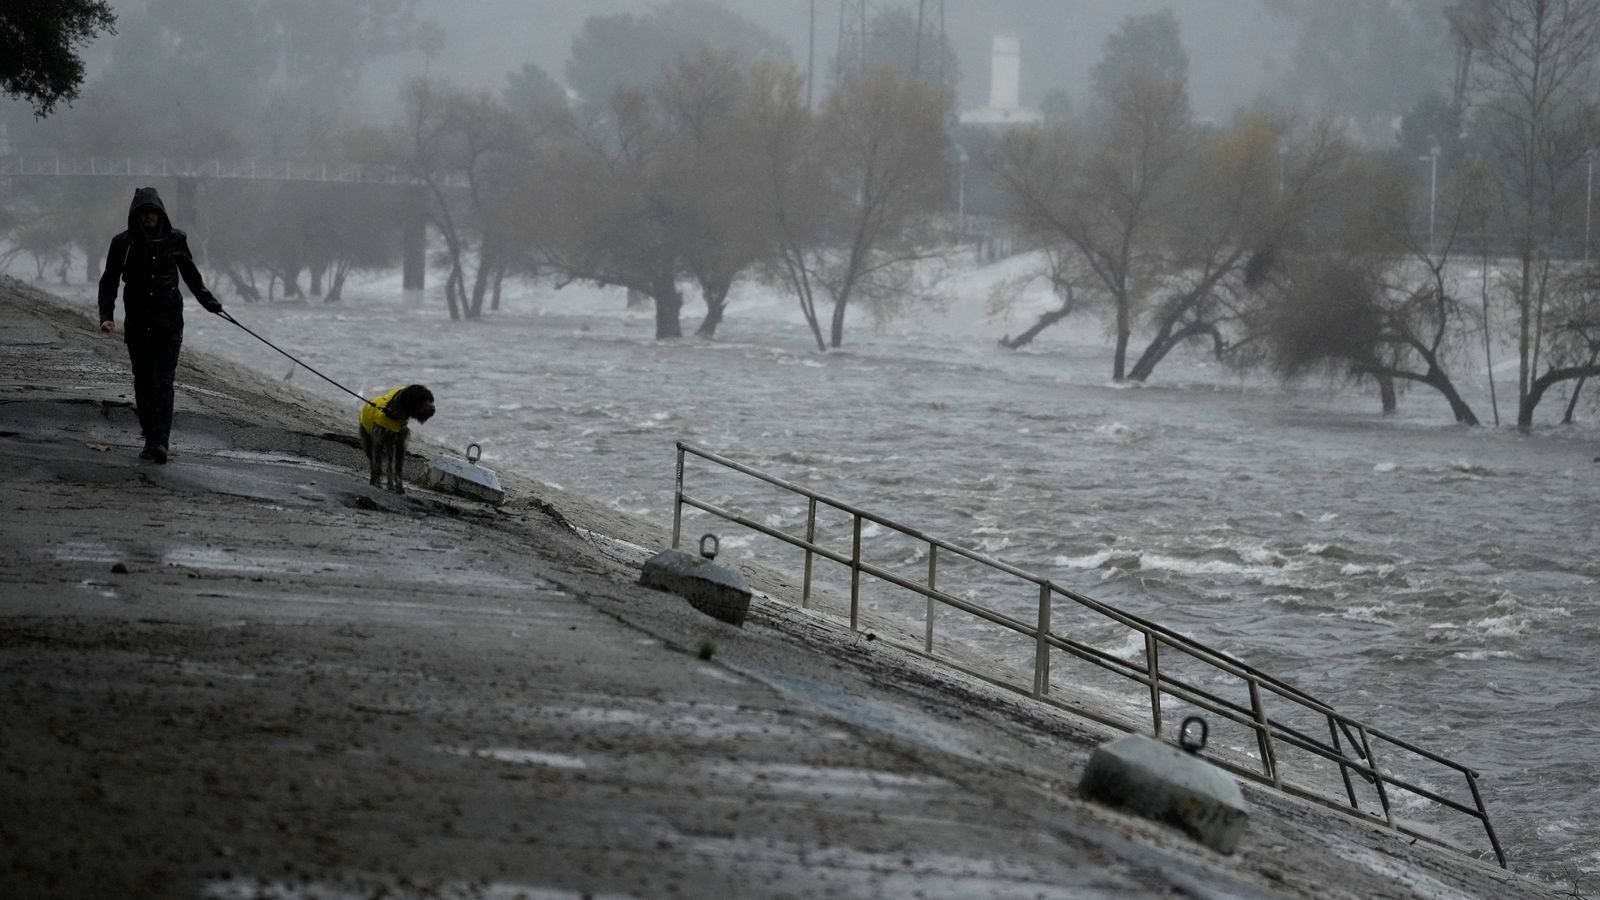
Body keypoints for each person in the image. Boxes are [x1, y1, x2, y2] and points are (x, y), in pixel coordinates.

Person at [97, 186, 223, 464]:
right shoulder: (122, 243)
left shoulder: (176, 239)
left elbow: (190, 274)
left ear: (161, 213)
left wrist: (209, 302)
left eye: (153, 212)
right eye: (144, 213)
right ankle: (149, 436)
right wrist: (106, 314)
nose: (149, 217)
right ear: (136, 216)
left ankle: (160, 443)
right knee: (143, 384)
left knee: (163, 383)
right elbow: (109, 280)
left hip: (169, 325)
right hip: (138, 324)